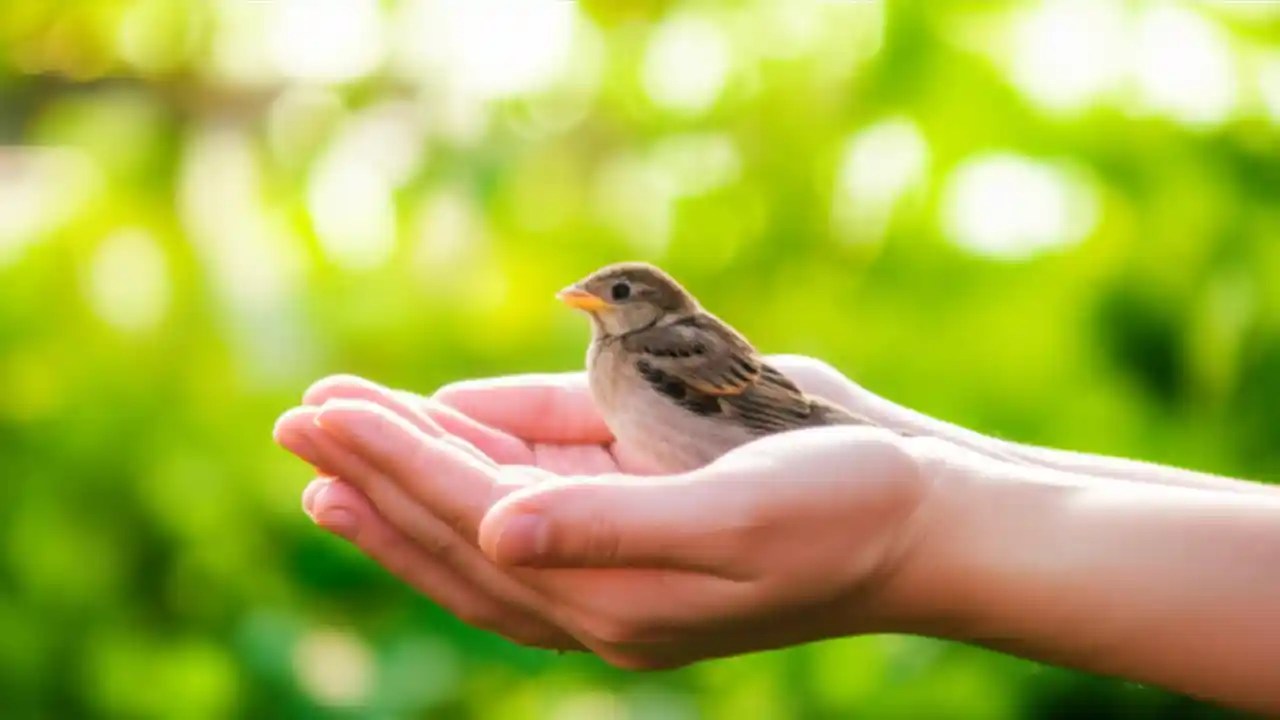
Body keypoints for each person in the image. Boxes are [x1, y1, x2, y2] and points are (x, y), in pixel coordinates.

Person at [273, 356, 1280, 714]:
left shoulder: (669, 350)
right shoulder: (627, 360)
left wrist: (915, 513)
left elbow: (754, 407)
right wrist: (931, 459)